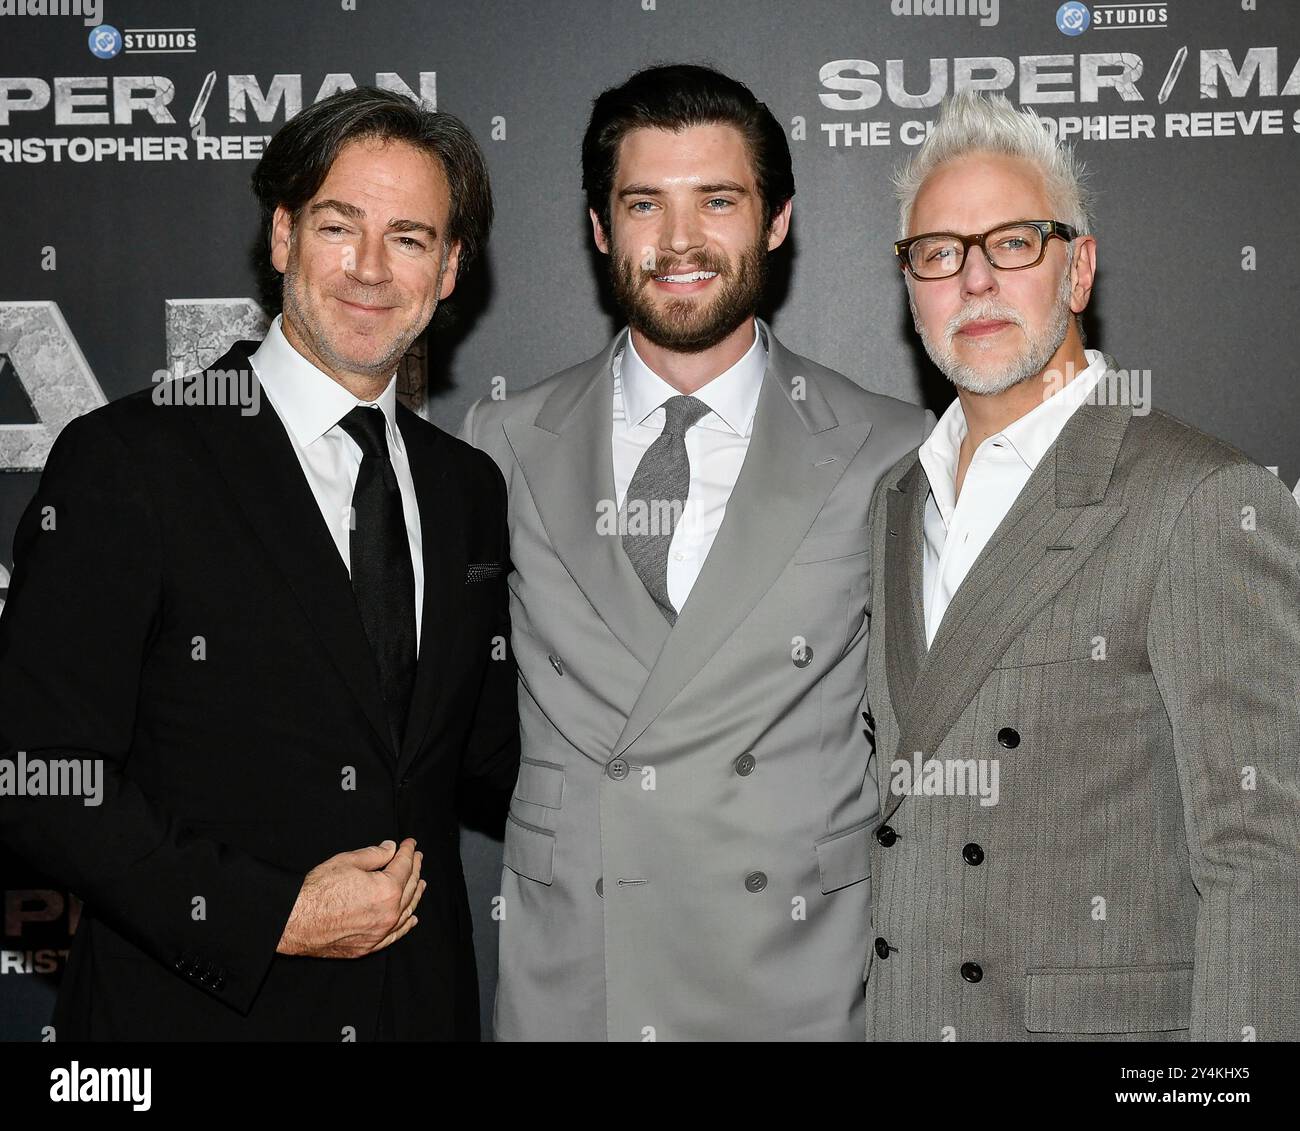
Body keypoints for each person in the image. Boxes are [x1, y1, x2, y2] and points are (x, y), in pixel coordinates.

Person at [0, 86, 518, 1040]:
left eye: (409, 237)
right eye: (338, 224)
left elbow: (493, 754)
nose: (370, 268)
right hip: (190, 1019)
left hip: (417, 1012)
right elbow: (36, 772)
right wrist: (269, 914)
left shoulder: (468, 490)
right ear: (281, 236)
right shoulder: (133, 460)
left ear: (448, 270)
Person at [462, 63, 930, 1041]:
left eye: (717, 200)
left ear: (776, 220)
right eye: (644, 204)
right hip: (580, 965)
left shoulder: (888, 445)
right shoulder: (499, 441)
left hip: (799, 966)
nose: (678, 243)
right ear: (599, 229)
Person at [864, 90, 1300, 1041]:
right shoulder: (894, 501)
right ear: (911, 288)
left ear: (1079, 267)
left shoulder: (1198, 498)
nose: (974, 280)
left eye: (1013, 241)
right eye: (939, 253)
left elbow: (1264, 855)